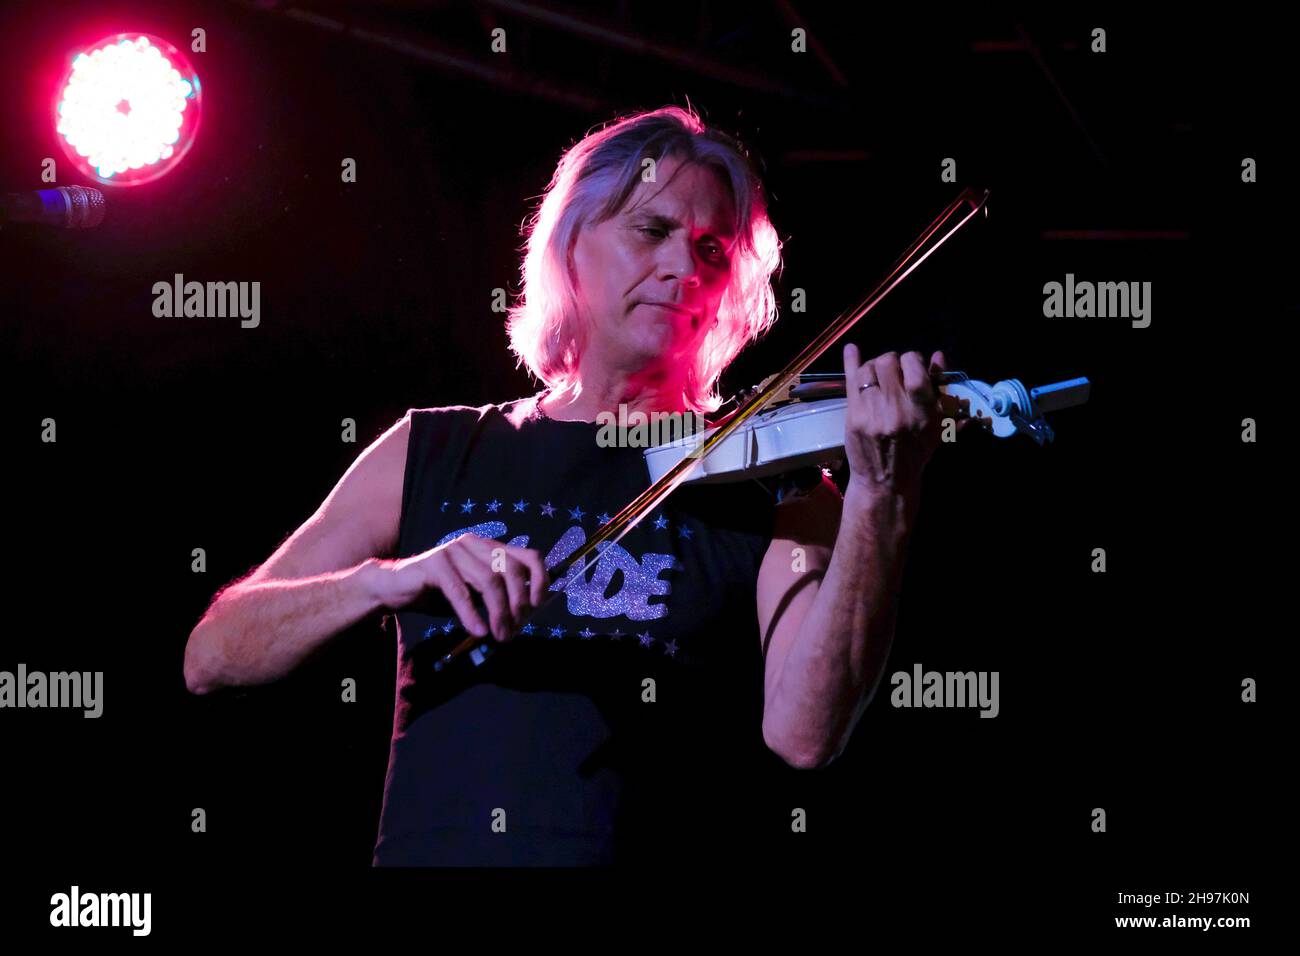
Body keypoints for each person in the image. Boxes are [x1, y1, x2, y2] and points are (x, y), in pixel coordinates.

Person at [182, 105, 958, 866]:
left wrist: (882, 498)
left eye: (713, 251)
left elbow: (805, 731)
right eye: (652, 232)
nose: (685, 269)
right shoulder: (436, 447)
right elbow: (214, 653)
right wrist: (388, 581)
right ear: (570, 247)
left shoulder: (775, 487)